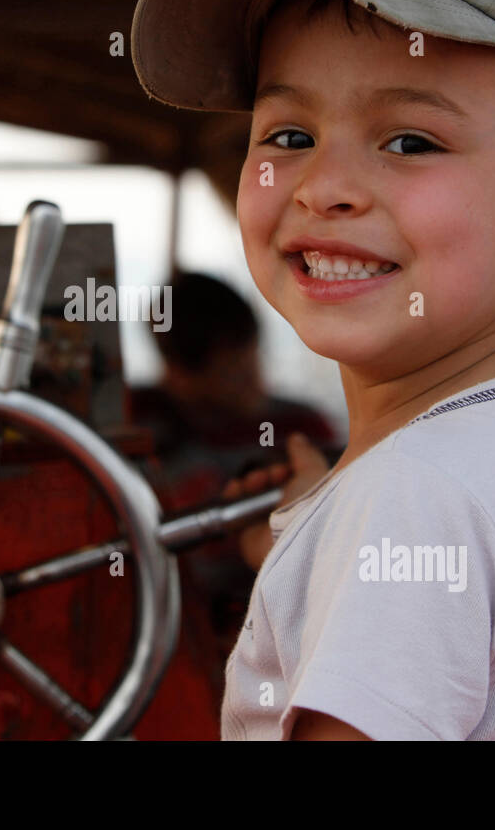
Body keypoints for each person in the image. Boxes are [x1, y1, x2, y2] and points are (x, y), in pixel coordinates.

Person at [130, 0, 495, 740]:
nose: (322, 185)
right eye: (289, 134)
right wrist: (317, 549)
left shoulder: (414, 497)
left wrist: (361, 539)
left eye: (409, 140)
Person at [131, 270, 342, 708]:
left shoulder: (303, 429)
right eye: (234, 371)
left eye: (252, 359)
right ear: (178, 372)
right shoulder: (137, 429)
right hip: (167, 641)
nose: (255, 381)